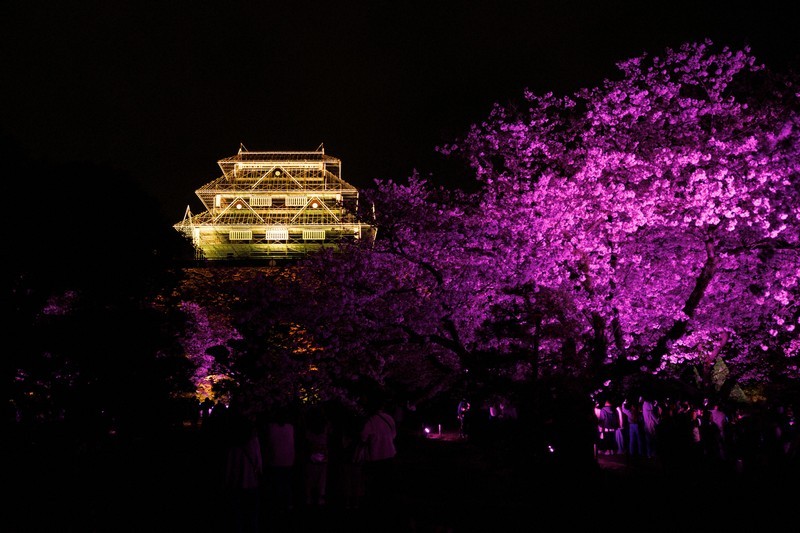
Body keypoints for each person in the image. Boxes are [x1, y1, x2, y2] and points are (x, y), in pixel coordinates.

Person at [222, 409, 262, 533]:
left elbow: (229, 464)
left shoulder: (231, 443)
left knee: (237, 513)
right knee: (252, 513)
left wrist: (227, 480)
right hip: (251, 481)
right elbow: (258, 461)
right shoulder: (253, 441)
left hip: (235, 482)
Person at [359, 397, 397, 514]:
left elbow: (363, 437)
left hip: (376, 455)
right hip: (390, 453)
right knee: (386, 480)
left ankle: (376, 504)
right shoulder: (389, 418)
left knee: (376, 482)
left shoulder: (370, 421)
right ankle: (387, 503)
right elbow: (394, 435)